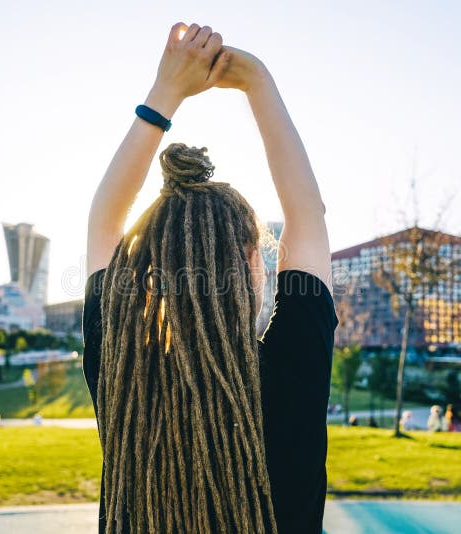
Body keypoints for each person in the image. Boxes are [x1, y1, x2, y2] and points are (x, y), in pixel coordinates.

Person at [82, 23, 336, 533]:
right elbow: (309, 216)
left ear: (153, 274)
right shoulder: (292, 366)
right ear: (251, 267)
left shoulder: (123, 372)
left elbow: (104, 221)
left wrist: (165, 94)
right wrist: (256, 81)